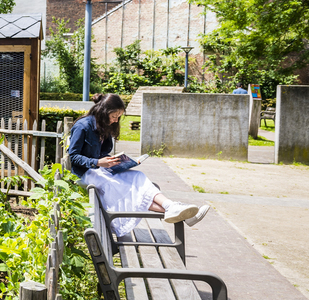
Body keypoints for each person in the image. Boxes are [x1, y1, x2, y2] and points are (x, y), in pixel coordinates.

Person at [67, 93, 210, 237]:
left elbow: (102, 153)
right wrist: (97, 162)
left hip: (102, 170)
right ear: (103, 112)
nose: (116, 121)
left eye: (118, 117)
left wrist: (118, 162)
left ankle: (171, 207)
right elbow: (73, 156)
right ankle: (179, 211)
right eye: (114, 116)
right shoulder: (82, 126)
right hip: (86, 173)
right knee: (125, 187)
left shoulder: (104, 126)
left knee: (137, 176)